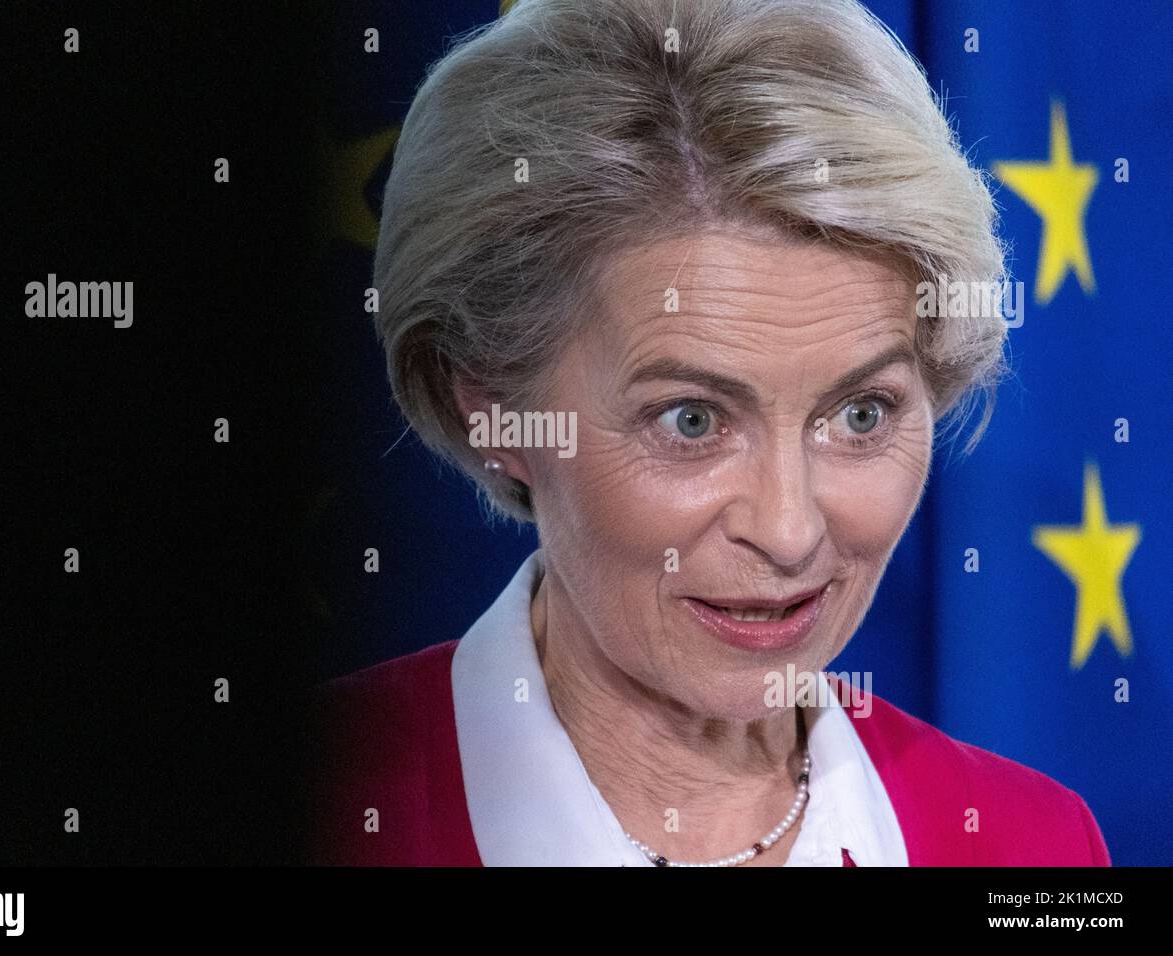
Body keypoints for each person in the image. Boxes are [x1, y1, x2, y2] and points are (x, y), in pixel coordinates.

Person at [307, 0, 1111, 866]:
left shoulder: (1034, 844)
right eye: (691, 421)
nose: (790, 530)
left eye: (861, 413)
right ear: (494, 410)